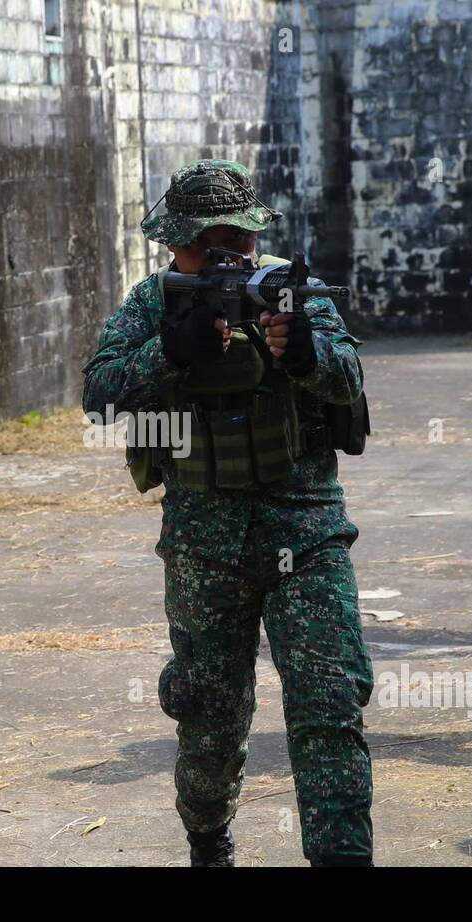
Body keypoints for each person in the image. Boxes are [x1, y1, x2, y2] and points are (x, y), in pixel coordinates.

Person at [82, 160, 374, 865]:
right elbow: (101, 397)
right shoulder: (154, 304)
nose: (220, 257)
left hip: (304, 528)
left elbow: (349, 379)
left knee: (330, 703)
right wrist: (170, 352)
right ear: (172, 247)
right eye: (200, 245)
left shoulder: (290, 293)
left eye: (232, 243)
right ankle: (208, 839)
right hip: (204, 541)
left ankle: (342, 855)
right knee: (210, 715)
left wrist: (303, 352)